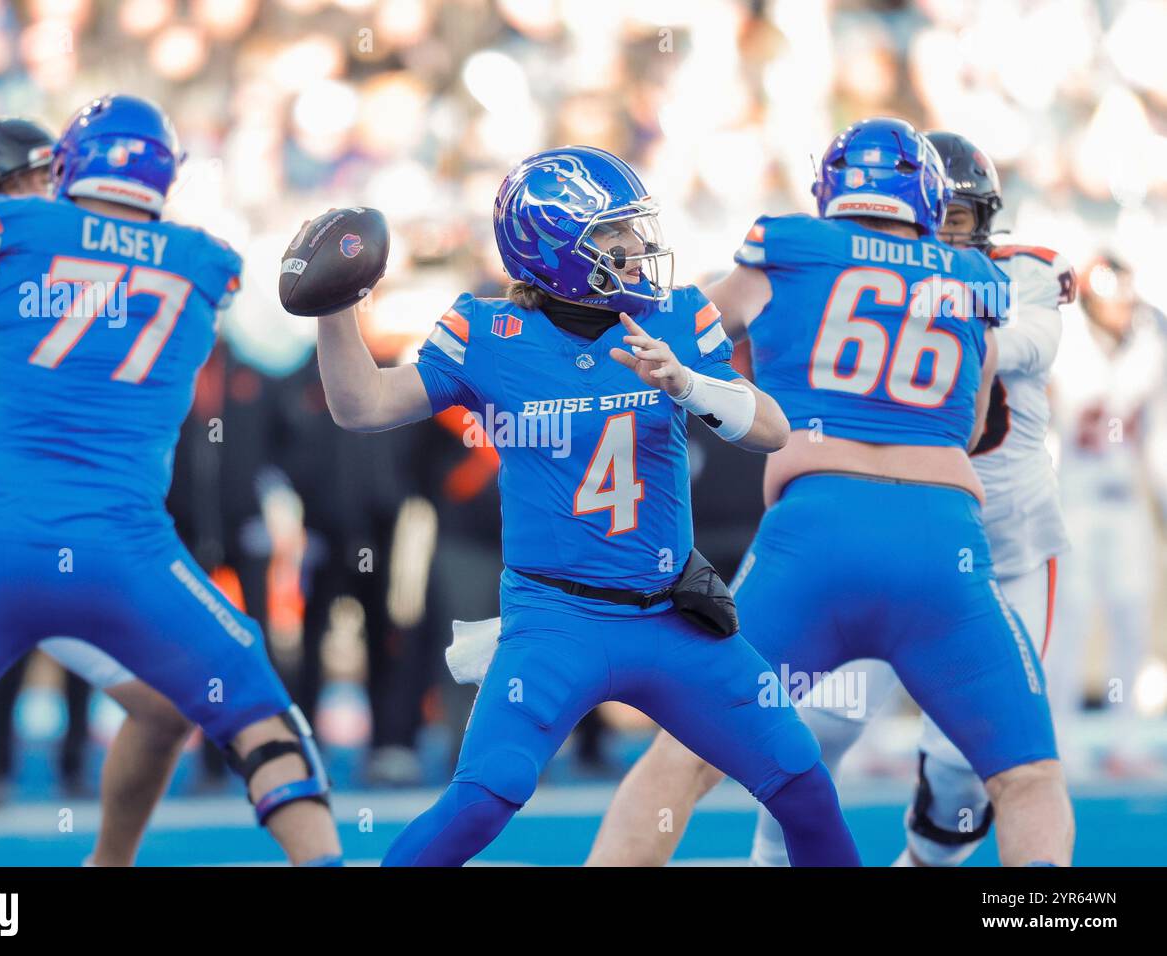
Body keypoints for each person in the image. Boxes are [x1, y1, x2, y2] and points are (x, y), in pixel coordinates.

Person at [313, 144, 862, 867]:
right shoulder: (490, 334)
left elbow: (772, 429)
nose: (636, 245)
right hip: (555, 619)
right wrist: (334, 307)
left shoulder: (673, 317)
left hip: (670, 613)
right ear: (555, 251)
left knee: (800, 779)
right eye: (614, 233)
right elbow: (364, 406)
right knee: (486, 796)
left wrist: (688, 384)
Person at [587, 118, 1073, 867]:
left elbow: (685, 331)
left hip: (815, 537)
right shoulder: (974, 280)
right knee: (1027, 778)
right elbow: (972, 426)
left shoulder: (790, 246)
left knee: (683, 758)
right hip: (941, 541)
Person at [0, 95, 339, 867]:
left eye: (48, 173)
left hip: (5, 536)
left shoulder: (17, 237)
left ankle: (104, 864)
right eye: (27, 178)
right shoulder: (176, 254)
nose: (41, 189)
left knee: (155, 712)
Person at [743, 130, 1077, 867]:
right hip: (900, 533)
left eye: (960, 220)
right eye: (937, 216)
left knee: (967, 767)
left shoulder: (1014, 275)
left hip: (1006, 551)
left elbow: (1032, 342)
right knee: (822, 721)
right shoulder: (865, 272)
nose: (944, 233)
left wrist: (944, 308)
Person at [1048, 253, 1165, 774]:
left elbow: (1156, 436)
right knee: (1070, 620)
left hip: (1125, 502)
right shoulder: (1064, 348)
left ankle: (1126, 739)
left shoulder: (1148, 347)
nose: (1123, 309)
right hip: (1074, 498)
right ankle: (1061, 738)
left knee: (1131, 617)